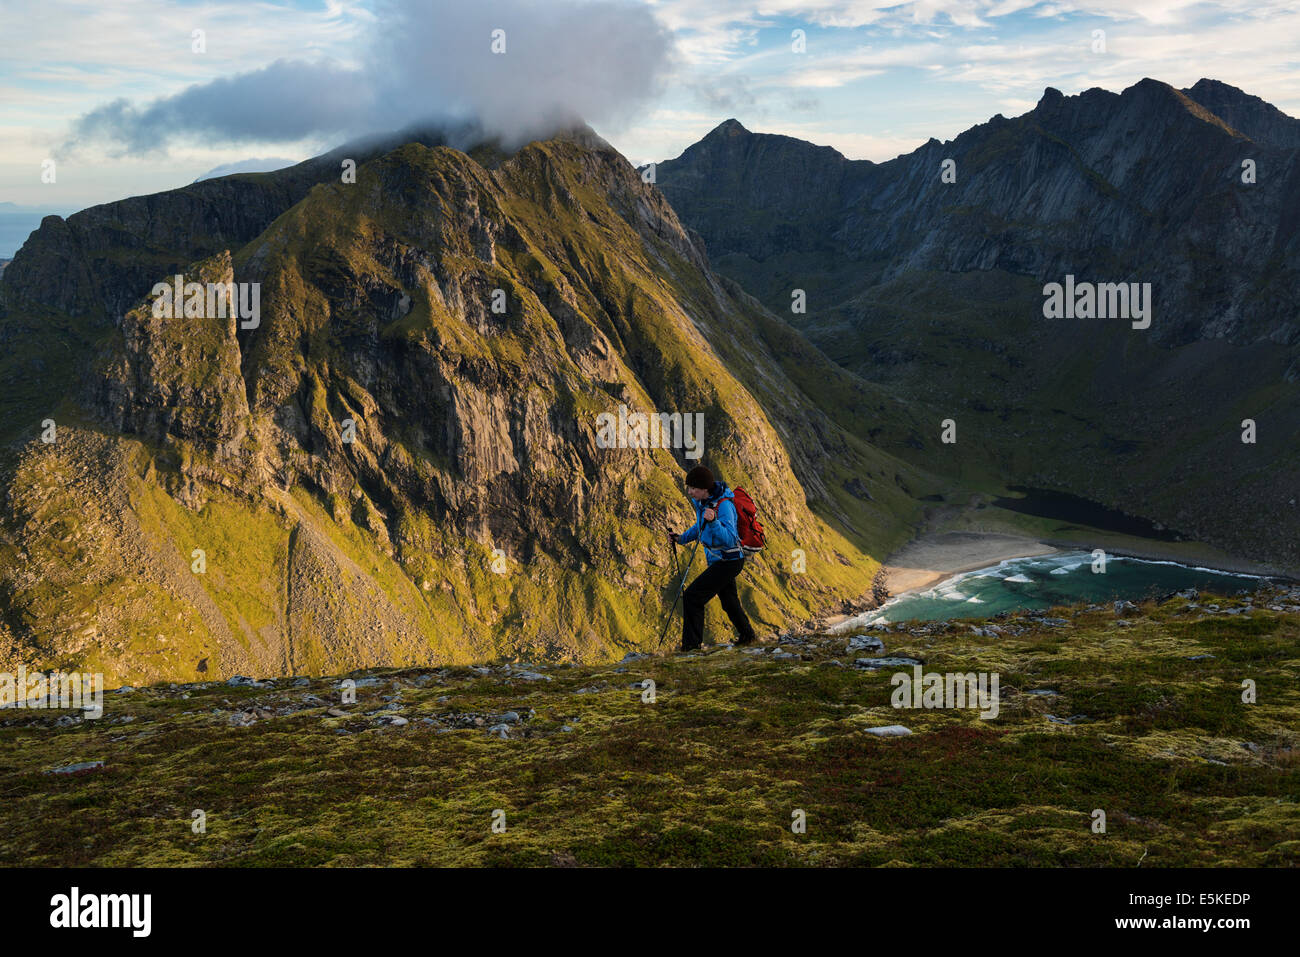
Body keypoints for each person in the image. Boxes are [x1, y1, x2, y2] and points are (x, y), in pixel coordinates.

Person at [668, 465, 758, 651]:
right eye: (689, 488)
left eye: (693, 488)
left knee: (693, 596)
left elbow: (730, 539)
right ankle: (748, 636)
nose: (689, 492)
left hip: (729, 560)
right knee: (729, 602)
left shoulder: (724, 505)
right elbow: (699, 526)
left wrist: (714, 522)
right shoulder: (703, 503)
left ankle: (691, 647)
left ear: (704, 489)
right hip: (720, 560)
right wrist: (681, 538)